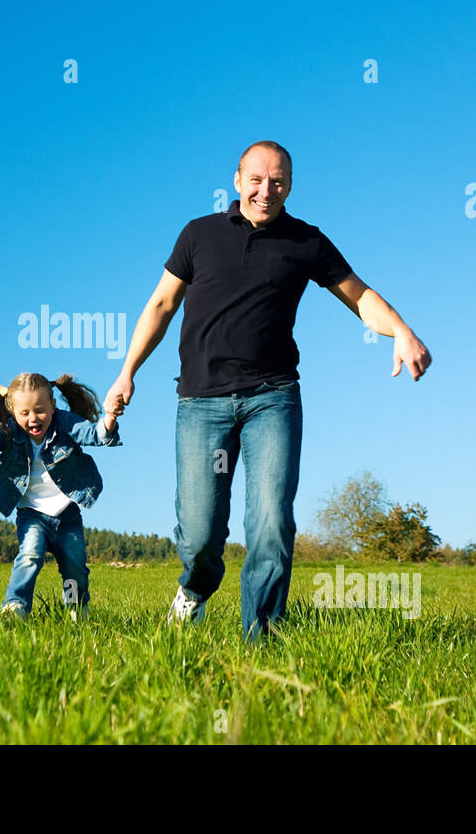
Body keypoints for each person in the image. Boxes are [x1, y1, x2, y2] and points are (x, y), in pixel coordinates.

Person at [104, 140, 432, 640]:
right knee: (199, 534)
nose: (266, 190)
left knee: (271, 521)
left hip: (272, 398)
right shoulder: (199, 235)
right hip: (201, 402)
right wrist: (127, 371)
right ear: (236, 182)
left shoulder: (306, 242)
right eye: (256, 179)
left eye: (277, 181)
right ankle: (195, 587)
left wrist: (402, 330)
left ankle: (261, 641)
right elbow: (161, 306)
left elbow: (360, 296)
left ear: (290, 186)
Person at [0, 373, 121, 619]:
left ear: (53, 405)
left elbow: (95, 434)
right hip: (31, 513)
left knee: (74, 566)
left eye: (40, 410)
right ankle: (16, 606)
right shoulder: (11, 431)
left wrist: (111, 417)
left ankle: (75, 607)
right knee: (30, 555)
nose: (33, 418)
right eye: (24, 413)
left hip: (66, 512)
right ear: (12, 412)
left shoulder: (65, 424)